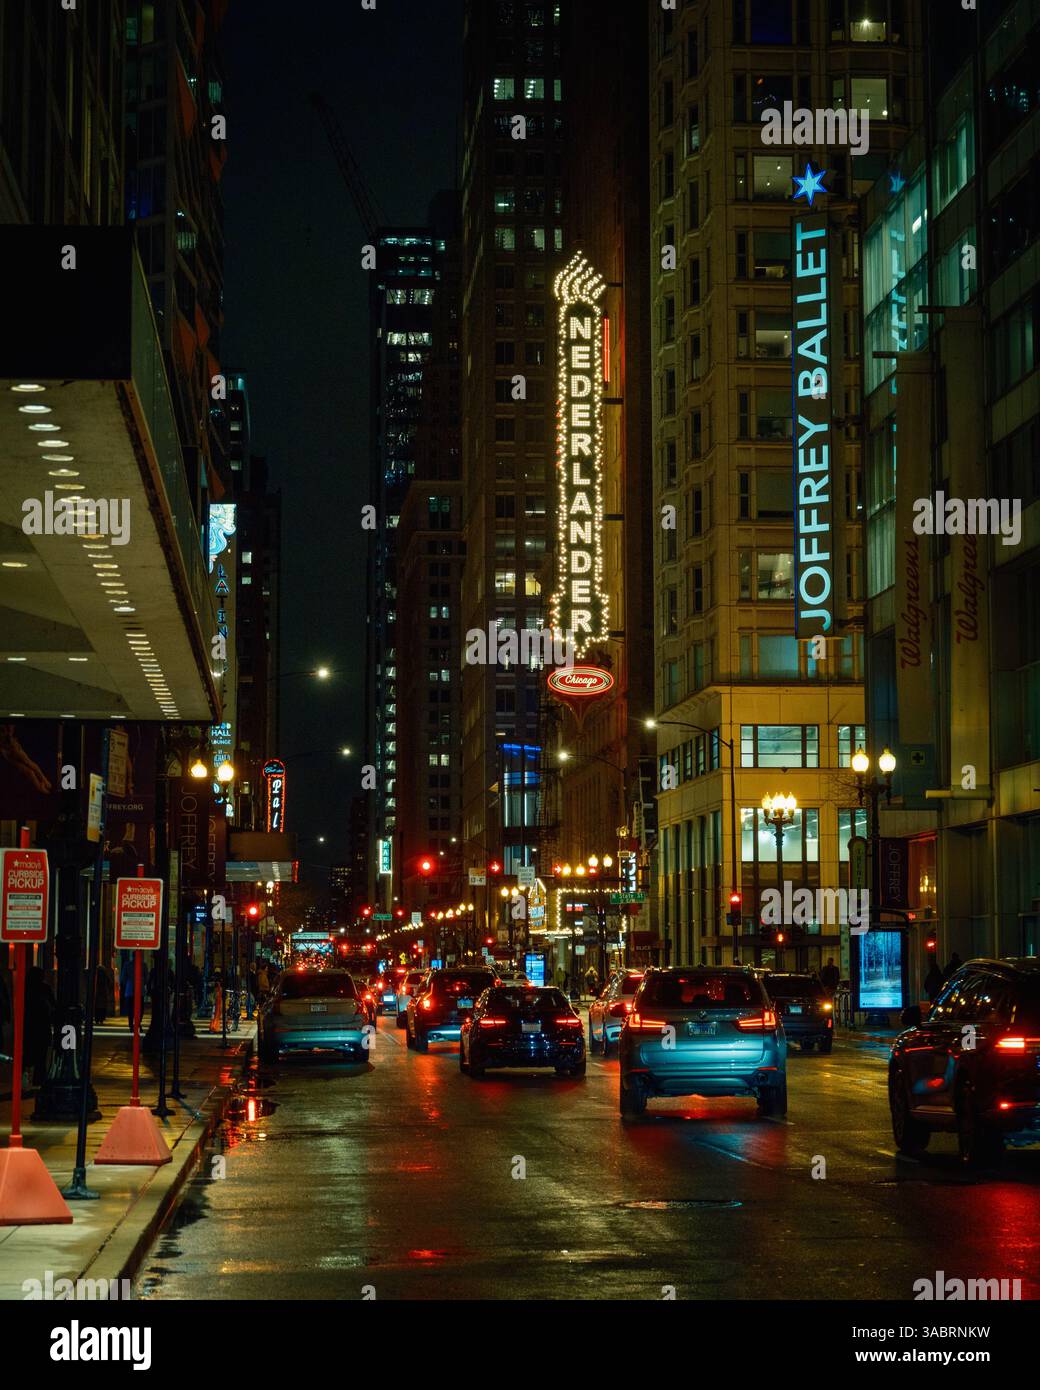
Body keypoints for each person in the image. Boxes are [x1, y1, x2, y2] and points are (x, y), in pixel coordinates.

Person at [24, 967, 55, 1087]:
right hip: (41, 1026)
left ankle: (27, 1077)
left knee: (29, 1054)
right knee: (40, 1057)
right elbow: (53, 1004)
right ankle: (38, 1079)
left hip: (29, 1026)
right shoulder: (44, 988)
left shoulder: (26, 988)